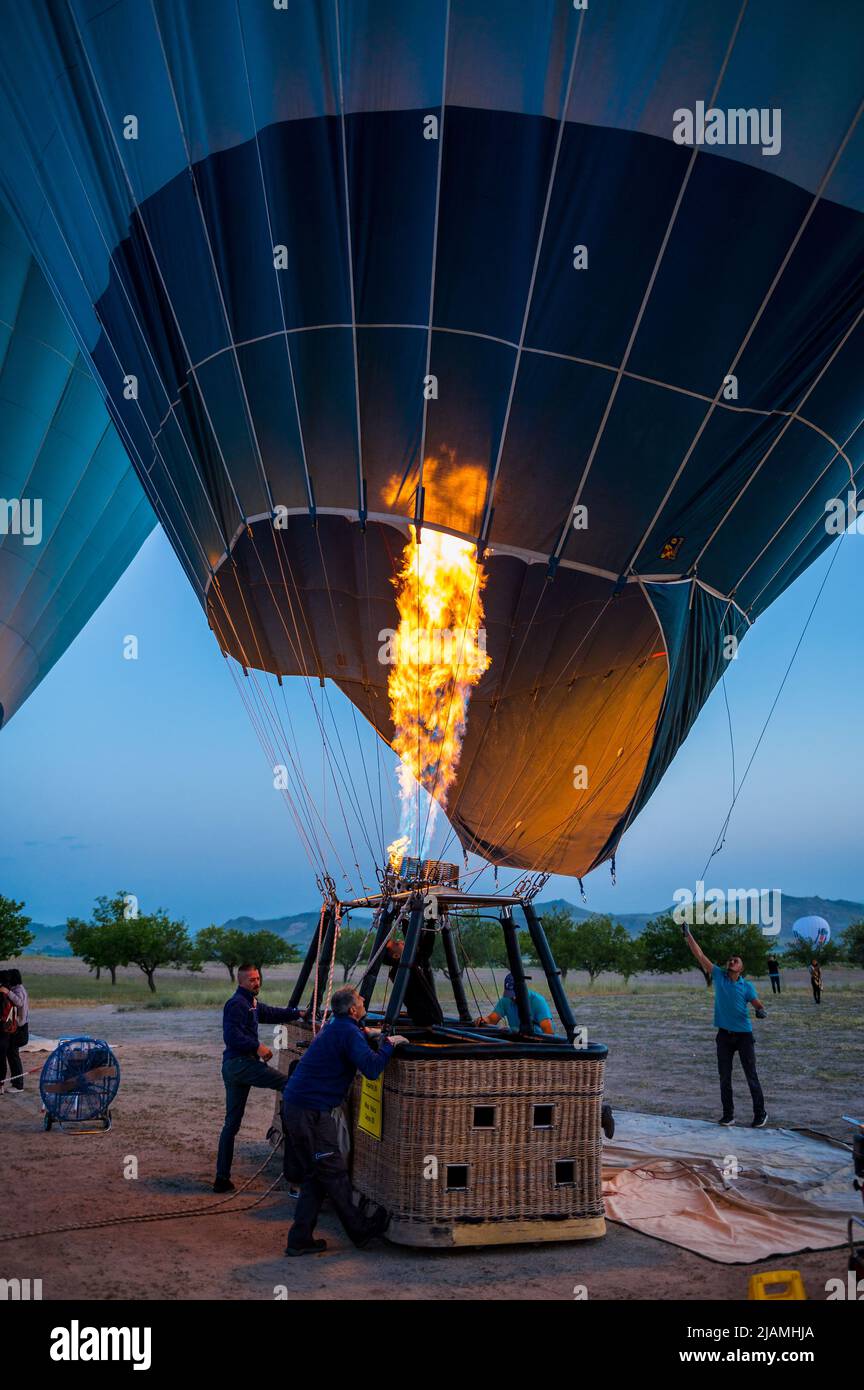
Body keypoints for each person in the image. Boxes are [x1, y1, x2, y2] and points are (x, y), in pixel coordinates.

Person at [281, 986, 407, 1255]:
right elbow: (372, 1069)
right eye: (361, 999)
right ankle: (360, 1230)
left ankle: (300, 1239)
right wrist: (389, 1045)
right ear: (352, 1009)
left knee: (315, 1175)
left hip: (299, 1106)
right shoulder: (347, 1032)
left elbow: (352, 1038)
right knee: (333, 1171)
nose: (364, 1001)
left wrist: (370, 1034)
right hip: (311, 1111)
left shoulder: (337, 1026)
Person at [214, 964, 302, 1193]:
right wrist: (258, 1046)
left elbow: (271, 1013)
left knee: (231, 1124)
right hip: (240, 1064)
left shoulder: (251, 1003)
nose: (257, 982)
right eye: (252, 979)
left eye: (257, 978)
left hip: (236, 1067)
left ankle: (221, 1179)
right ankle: (294, 1139)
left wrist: (298, 1013)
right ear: (240, 981)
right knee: (289, 1085)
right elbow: (231, 1036)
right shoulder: (236, 1003)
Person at [684, 928, 767, 1128]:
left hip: (744, 1036)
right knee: (725, 1076)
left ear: (741, 968)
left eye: (736, 960)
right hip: (724, 1036)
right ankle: (728, 1115)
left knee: (751, 1075)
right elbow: (700, 955)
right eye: (730, 959)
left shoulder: (746, 987)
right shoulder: (719, 976)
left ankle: (760, 1114)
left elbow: (757, 1004)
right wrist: (688, 935)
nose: (732, 961)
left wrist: (760, 1010)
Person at [381, 933, 443, 1027]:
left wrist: (406, 921)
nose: (402, 941)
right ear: (396, 956)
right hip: (428, 1020)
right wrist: (431, 922)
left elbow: (415, 944)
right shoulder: (404, 969)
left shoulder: (400, 970)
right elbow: (425, 950)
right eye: (398, 944)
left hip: (424, 1018)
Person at [475, 972, 554, 1036]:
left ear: (523, 989)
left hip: (536, 1042)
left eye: (515, 994)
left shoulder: (537, 1001)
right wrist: (484, 1020)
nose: (513, 998)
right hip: (517, 1040)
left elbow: (548, 1032)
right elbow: (492, 1019)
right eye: (510, 995)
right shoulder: (506, 1000)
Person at [0, 968, 29, 1095]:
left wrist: (7, 992)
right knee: (12, 1056)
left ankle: (18, 1085)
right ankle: (16, 1083)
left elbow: (20, 1002)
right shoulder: (17, 988)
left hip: (20, 1030)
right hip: (18, 1028)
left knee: (13, 1056)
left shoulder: (18, 990)